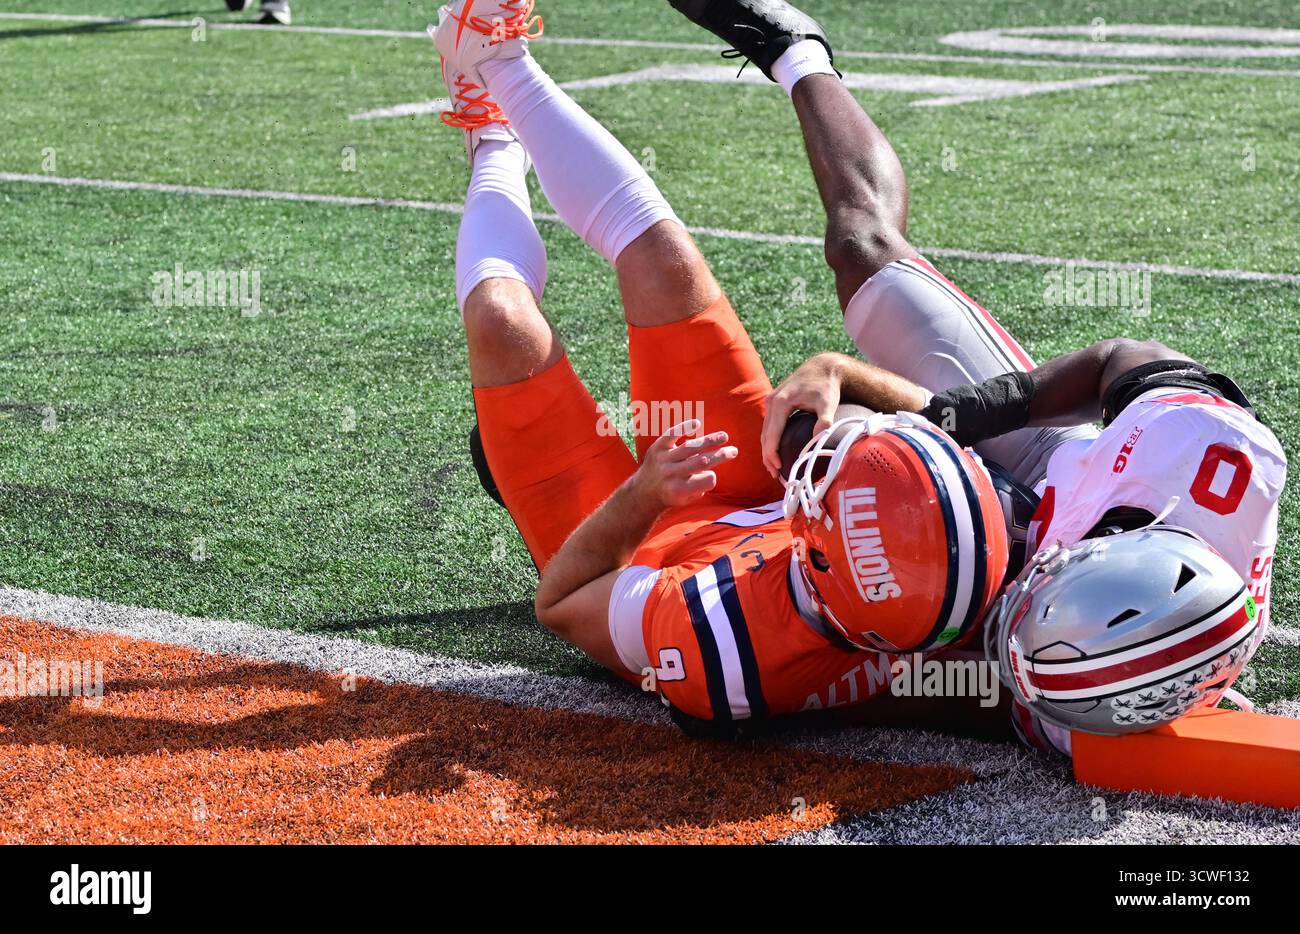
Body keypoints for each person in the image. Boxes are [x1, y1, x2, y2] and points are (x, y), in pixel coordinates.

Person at [669, 0, 1285, 752]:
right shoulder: (1201, 448)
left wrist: (818, 694)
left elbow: (958, 693)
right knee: (862, 246)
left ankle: (582, 495)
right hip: (1062, 455)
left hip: (1055, 584)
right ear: (1095, 550)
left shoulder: (1080, 699)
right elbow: (1107, 363)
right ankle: (797, 51)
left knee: (823, 494)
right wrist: (941, 419)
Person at [434, 0, 1009, 735]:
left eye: (828, 478)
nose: (823, 452)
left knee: (501, 321)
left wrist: (644, 493)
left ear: (818, 558)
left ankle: (489, 133)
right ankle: (496, 60)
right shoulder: (966, 567)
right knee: (663, 259)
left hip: (630, 547)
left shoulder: (724, 647)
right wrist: (844, 374)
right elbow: (934, 426)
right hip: (743, 485)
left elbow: (559, 602)